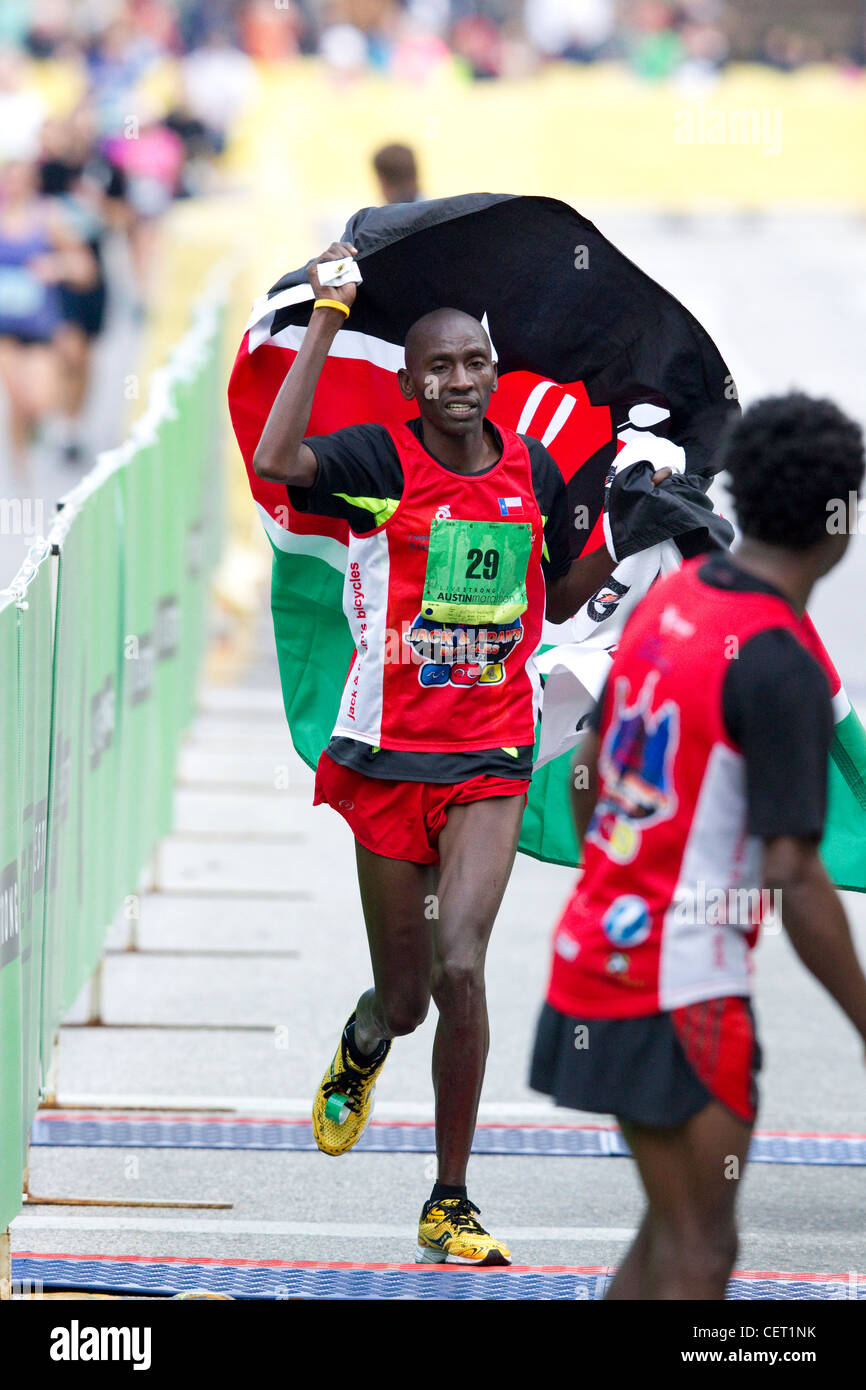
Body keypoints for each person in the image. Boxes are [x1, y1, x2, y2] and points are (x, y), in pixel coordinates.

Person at [252, 239, 676, 1263]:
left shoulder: (527, 466)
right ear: (411, 382)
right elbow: (274, 463)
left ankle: (449, 1197)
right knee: (402, 1001)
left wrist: (625, 536)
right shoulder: (377, 459)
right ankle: (362, 1038)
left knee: (460, 967)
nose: (455, 382)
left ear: (492, 372)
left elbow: (556, 596)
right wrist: (323, 314)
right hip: (390, 758)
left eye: (470, 365)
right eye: (435, 368)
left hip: (488, 756)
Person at [529, 392, 866, 1299]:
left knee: (669, 1231)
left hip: (597, 954)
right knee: (702, 1252)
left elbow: (589, 765)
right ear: (841, 523)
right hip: (681, 991)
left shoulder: (673, 603)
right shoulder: (779, 656)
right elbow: (793, 873)